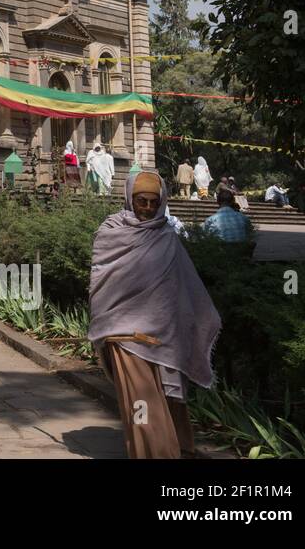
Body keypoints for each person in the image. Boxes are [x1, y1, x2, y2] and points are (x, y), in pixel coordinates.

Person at [89, 170, 221, 459]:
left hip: (162, 333)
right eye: (141, 201)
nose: (147, 208)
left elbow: (182, 286)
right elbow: (102, 282)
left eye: (152, 202)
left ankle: (180, 447)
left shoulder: (167, 237)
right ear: (129, 199)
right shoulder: (110, 232)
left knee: (168, 396)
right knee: (141, 402)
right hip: (122, 334)